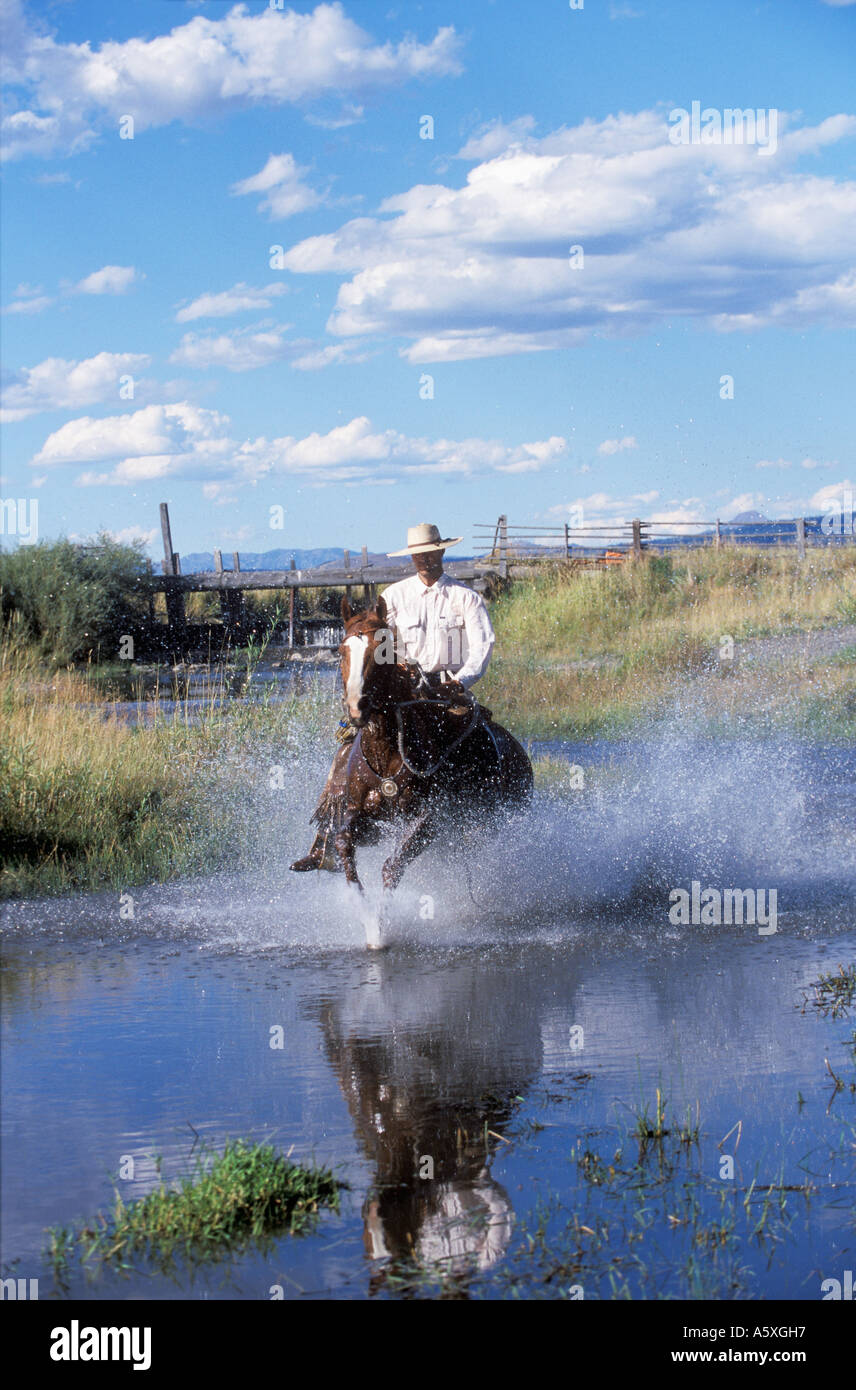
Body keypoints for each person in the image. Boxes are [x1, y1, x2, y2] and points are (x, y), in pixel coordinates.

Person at [290, 522, 496, 872]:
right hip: (404, 690)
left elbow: (482, 648)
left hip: (447, 694)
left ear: (441, 552)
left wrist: (460, 682)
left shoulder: (466, 598)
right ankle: (323, 840)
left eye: (430, 554)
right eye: (419, 555)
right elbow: (380, 650)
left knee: (470, 746)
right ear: (412, 557)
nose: (425, 561)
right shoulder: (394, 598)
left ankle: (473, 816)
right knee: (347, 747)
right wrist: (383, 678)